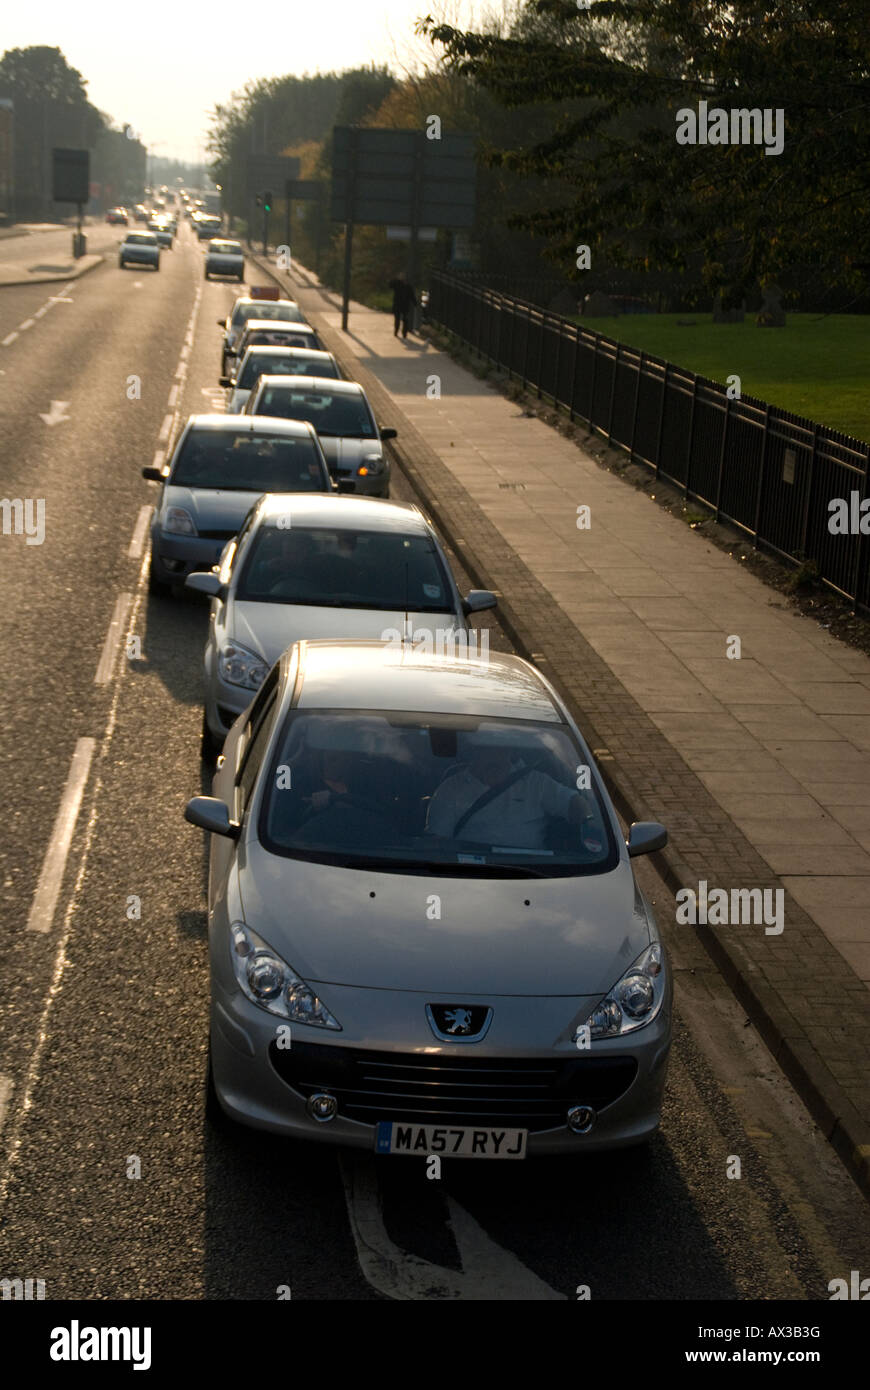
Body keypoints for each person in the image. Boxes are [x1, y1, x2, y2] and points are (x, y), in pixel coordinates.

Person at [425, 743, 591, 850]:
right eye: (486, 750)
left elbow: (575, 804)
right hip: (469, 870)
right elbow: (438, 843)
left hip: (534, 871)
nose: (494, 756)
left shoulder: (535, 783)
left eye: (500, 750)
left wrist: (589, 822)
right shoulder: (451, 788)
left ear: (510, 751)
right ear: (474, 753)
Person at [389, 271, 417, 339]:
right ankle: (396, 331)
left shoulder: (408, 286)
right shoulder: (396, 283)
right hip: (397, 304)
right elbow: (390, 285)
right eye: (401, 276)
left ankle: (404, 333)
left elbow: (411, 295)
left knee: (405, 320)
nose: (402, 278)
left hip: (405, 305)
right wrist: (396, 279)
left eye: (403, 276)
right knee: (397, 319)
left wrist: (415, 303)